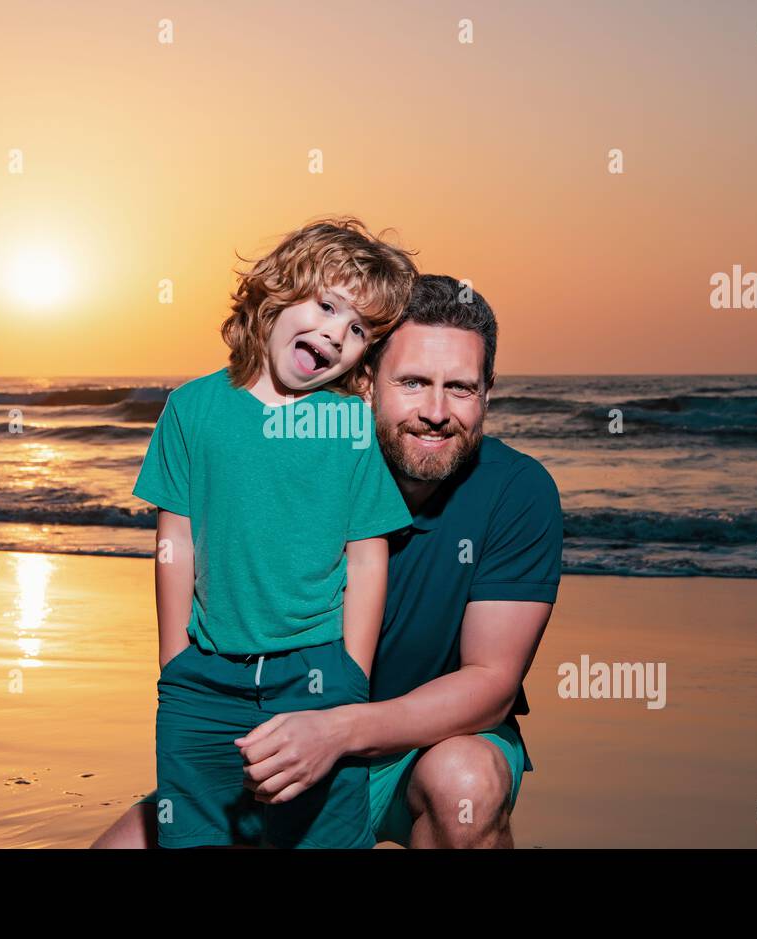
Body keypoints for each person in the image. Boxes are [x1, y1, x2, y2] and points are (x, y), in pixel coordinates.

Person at [95, 273, 563, 848]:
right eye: (413, 382)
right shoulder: (300, 456)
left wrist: (337, 730)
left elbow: (491, 685)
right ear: (365, 381)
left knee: (465, 781)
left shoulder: (517, 490)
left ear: (488, 392)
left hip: (418, 753)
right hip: (278, 741)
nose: (437, 411)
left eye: (461, 388)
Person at [132, 217, 418, 848]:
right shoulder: (192, 408)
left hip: (318, 675)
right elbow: (173, 542)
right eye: (326, 305)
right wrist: (173, 661)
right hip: (202, 677)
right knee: (197, 835)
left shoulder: (348, 423)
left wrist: (351, 676)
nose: (335, 334)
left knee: (323, 840)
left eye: (358, 330)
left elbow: (368, 556)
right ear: (276, 290)